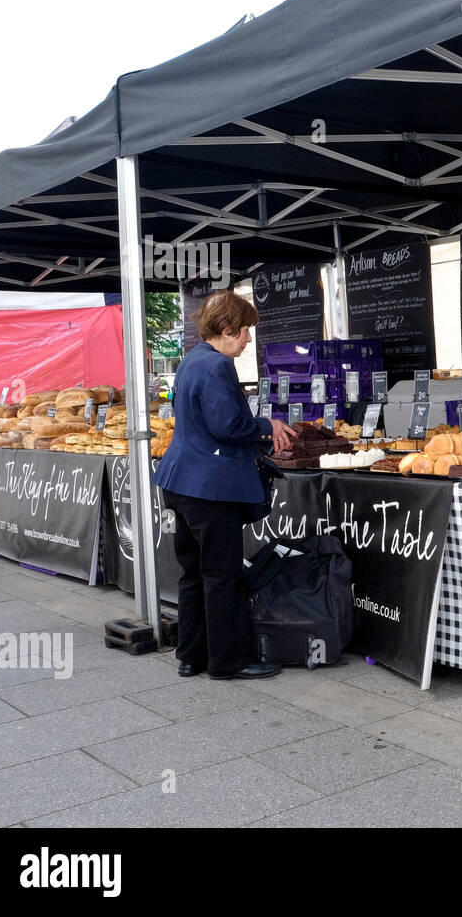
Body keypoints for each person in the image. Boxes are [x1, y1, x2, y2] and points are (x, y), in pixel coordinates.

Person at [154, 291, 295, 680]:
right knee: (222, 574)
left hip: (181, 481)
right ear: (227, 329)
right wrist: (268, 427)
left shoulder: (191, 360)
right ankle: (228, 661)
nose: (249, 339)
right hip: (210, 486)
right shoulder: (218, 365)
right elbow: (227, 426)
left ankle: (191, 654)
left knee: (193, 572)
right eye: (245, 330)